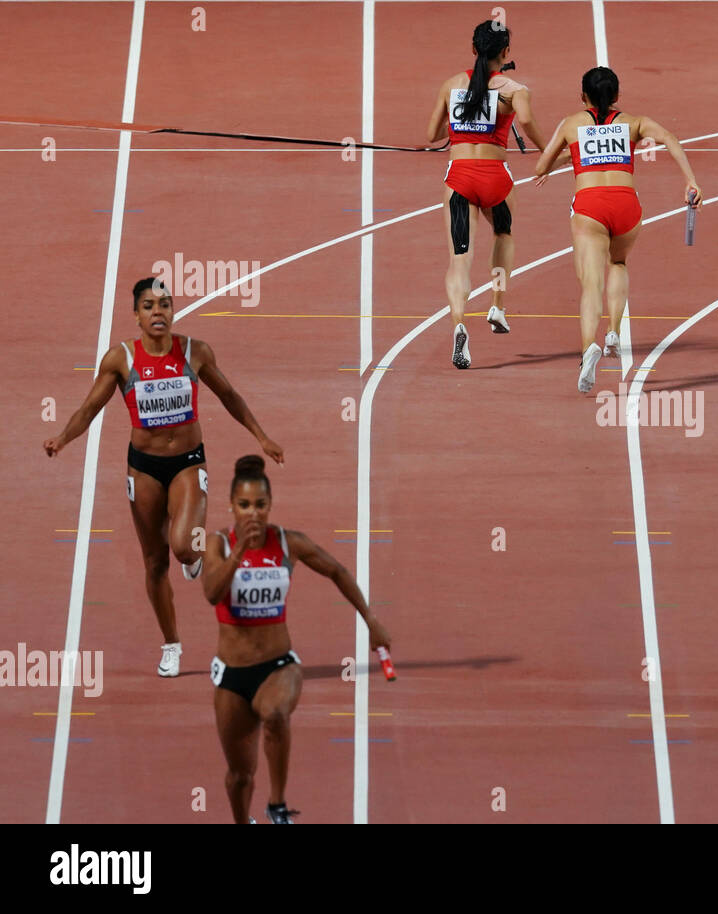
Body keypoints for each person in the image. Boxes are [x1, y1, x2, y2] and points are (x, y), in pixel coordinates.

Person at [43, 278, 283, 677]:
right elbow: (89, 409)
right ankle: (172, 645)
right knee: (155, 563)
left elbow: (229, 396)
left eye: (166, 305)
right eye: (149, 306)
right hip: (144, 468)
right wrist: (63, 438)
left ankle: (193, 553)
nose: (159, 312)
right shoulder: (120, 359)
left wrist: (261, 436)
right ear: (136, 315)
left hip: (188, 461)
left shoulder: (195, 352)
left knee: (185, 547)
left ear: (173, 311)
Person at [203, 455, 392, 824]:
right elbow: (211, 592)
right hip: (231, 676)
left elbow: (336, 571)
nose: (253, 513)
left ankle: (277, 807)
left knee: (275, 714)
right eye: (244, 505)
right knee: (240, 777)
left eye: (260, 505)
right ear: (231, 506)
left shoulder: (288, 543)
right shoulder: (219, 545)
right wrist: (241, 550)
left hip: (278, 665)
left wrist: (370, 619)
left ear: (270, 505)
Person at [533, 66, 701, 393]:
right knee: (619, 263)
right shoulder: (633, 123)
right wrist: (691, 180)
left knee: (591, 285)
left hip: (590, 206)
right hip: (627, 205)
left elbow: (541, 166)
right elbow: (670, 137)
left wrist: (571, 157)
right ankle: (612, 332)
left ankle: (588, 350)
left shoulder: (570, 124)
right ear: (617, 97)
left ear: (583, 96)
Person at [427, 20, 547, 368]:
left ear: (473, 49)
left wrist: (459, 124)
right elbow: (525, 120)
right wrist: (547, 151)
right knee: (503, 235)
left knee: (459, 259)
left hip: (459, 180)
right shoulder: (513, 88)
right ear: (505, 53)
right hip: (496, 179)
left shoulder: (452, 85)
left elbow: (432, 133)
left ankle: (459, 323)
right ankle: (497, 304)